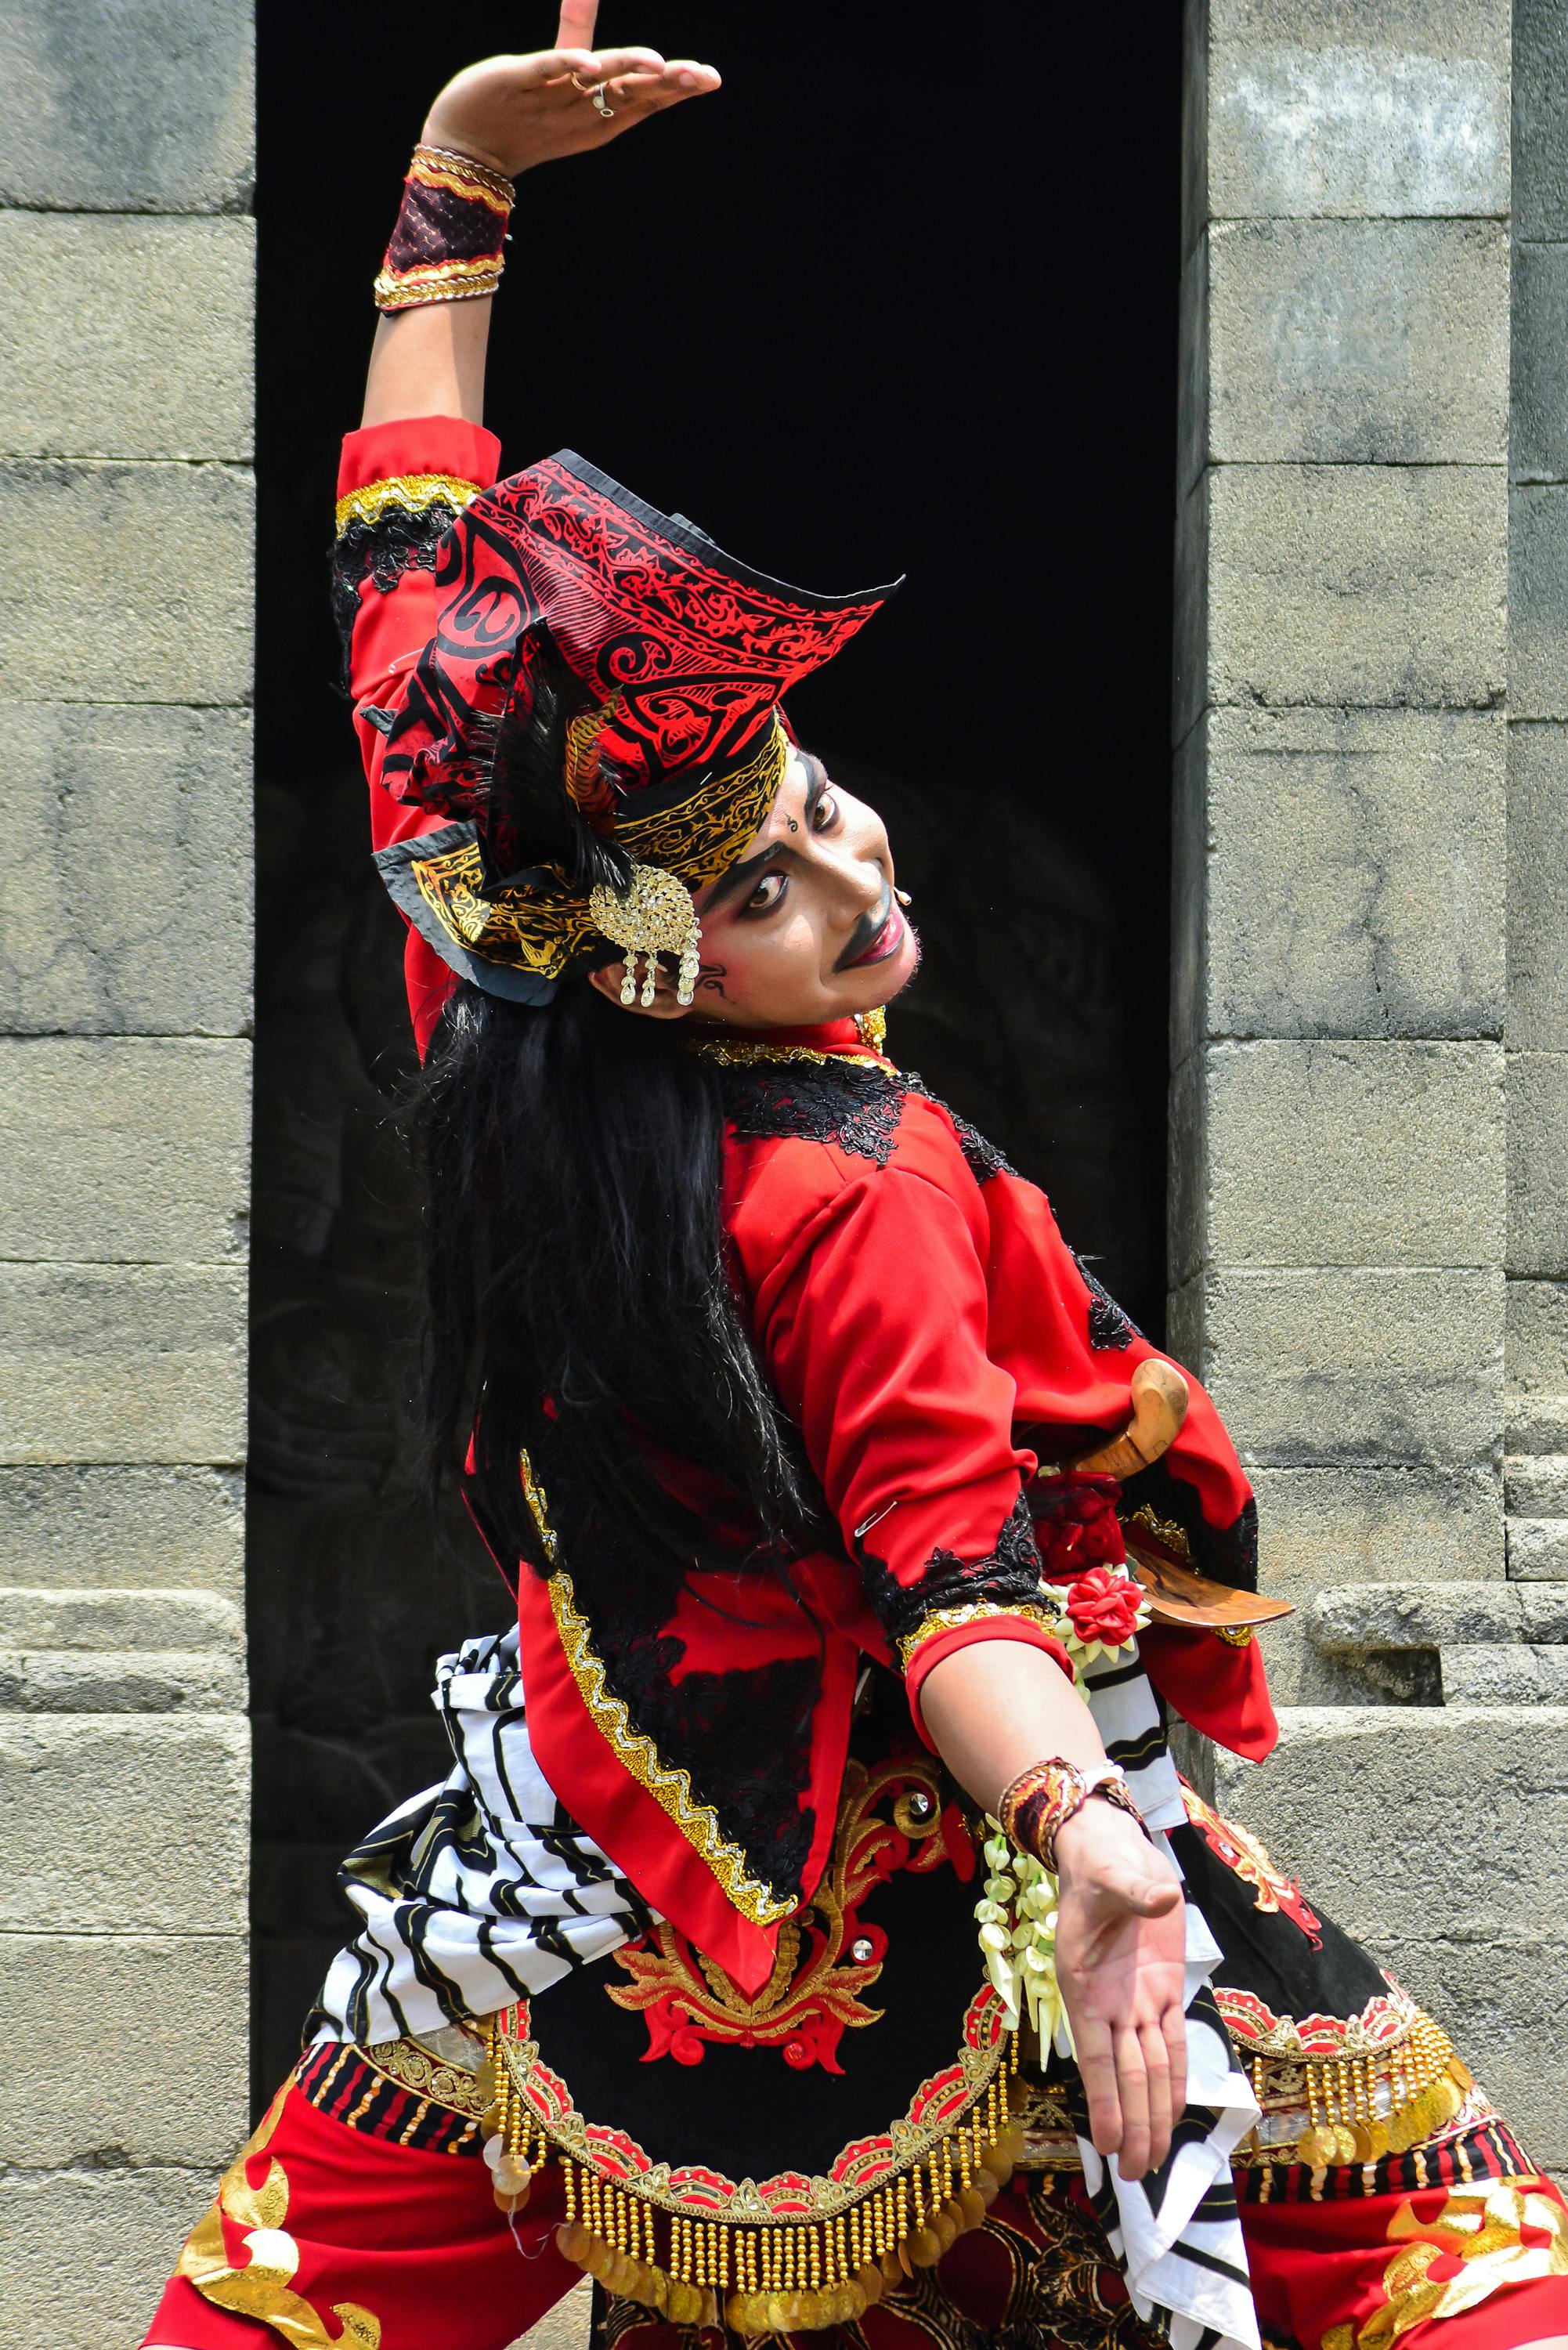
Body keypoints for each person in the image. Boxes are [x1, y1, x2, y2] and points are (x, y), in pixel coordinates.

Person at [144, 16, 1568, 2350]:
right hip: (967, 1866)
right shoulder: (854, 1186)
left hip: (590, 1861)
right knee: (1459, 2274)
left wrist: (453, 187)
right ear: (651, 965)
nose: (853, 870)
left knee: (262, 2312)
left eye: (818, 801)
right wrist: (1099, 1846)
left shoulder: (491, 975)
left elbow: (402, 554)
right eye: (789, 888)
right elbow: (949, 1579)